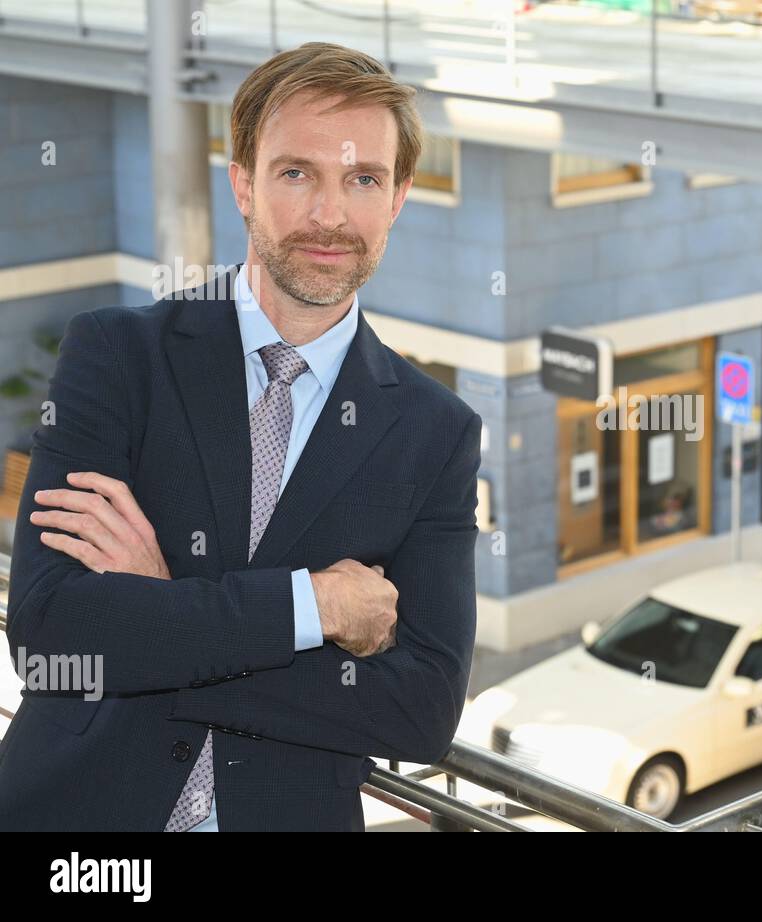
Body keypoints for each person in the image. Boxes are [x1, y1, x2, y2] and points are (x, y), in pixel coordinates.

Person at [0, 43, 481, 831]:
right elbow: (54, 638)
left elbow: (420, 714)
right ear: (243, 185)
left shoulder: (436, 433)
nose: (330, 215)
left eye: (363, 179)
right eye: (297, 173)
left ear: (397, 198)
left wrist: (161, 613)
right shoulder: (117, 356)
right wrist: (312, 606)